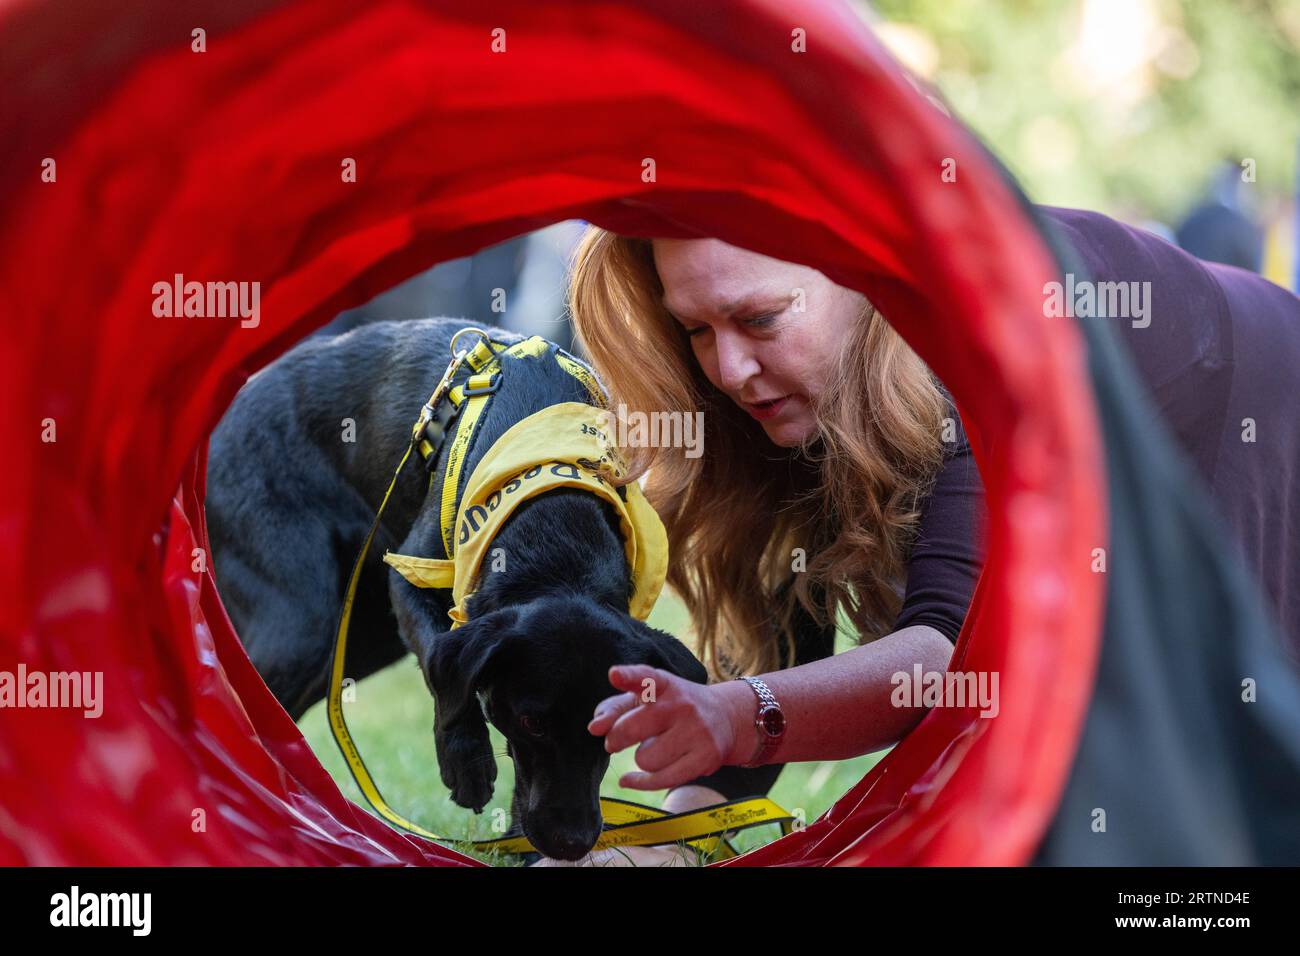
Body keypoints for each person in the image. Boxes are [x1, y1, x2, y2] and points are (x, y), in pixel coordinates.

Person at [529, 203, 1300, 866]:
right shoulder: (791, 388)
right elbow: (777, 666)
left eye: (759, 319)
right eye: (695, 328)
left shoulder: (987, 328)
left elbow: (942, 659)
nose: (729, 368)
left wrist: (734, 715)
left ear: (862, 279)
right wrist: (668, 835)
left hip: (1256, 408)